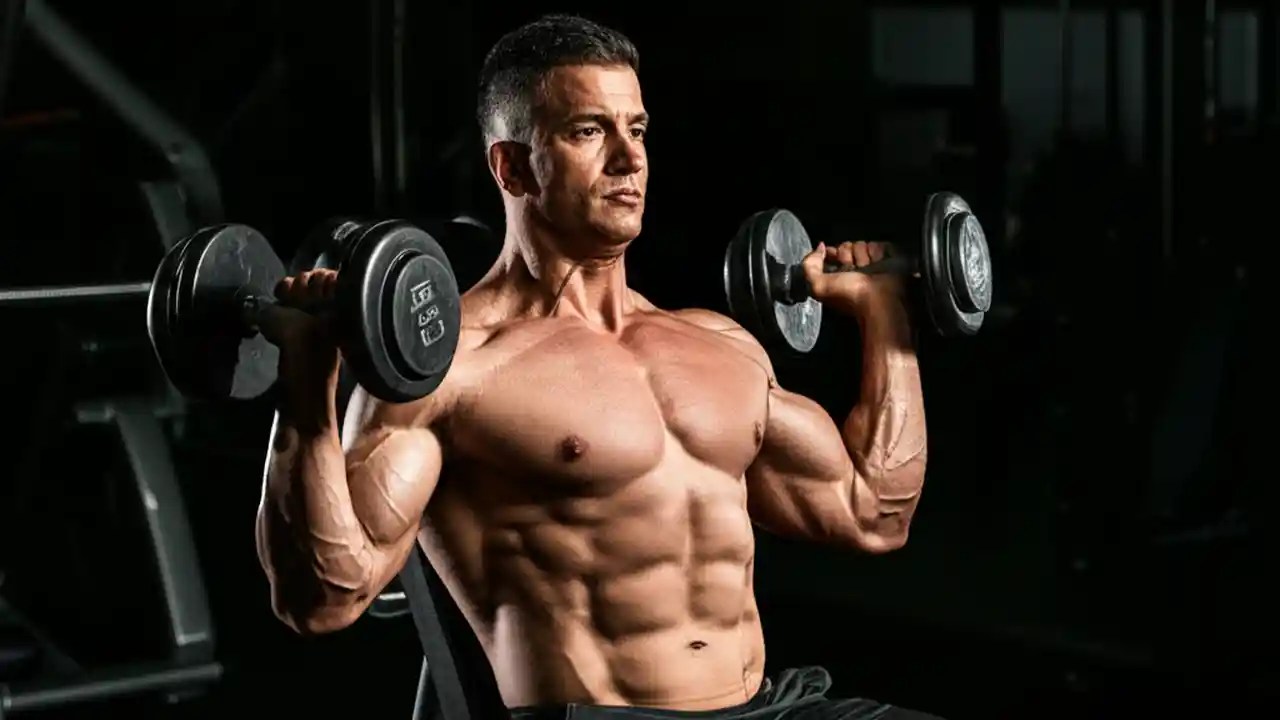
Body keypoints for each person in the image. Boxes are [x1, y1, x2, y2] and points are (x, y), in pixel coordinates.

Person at [255, 13, 938, 720]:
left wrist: (886, 320)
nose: (628, 159)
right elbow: (322, 598)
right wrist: (306, 384)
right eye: (589, 131)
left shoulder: (721, 345)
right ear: (512, 166)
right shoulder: (450, 373)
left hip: (769, 706)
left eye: (636, 130)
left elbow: (874, 514)